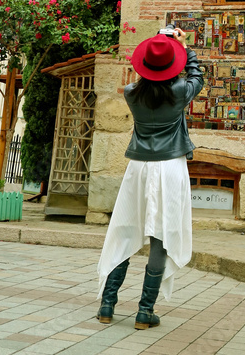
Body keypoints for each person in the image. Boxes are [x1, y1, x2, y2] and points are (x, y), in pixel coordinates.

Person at [96, 27, 204, 329]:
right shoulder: (181, 91)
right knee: (161, 237)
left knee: (126, 228)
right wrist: (183, 47)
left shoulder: (131, 93)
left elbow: (152, 78)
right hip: (170, 167)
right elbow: (197, 77)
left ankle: (107, 305)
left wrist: (165, 45)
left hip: (139, 168)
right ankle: (145, 311)